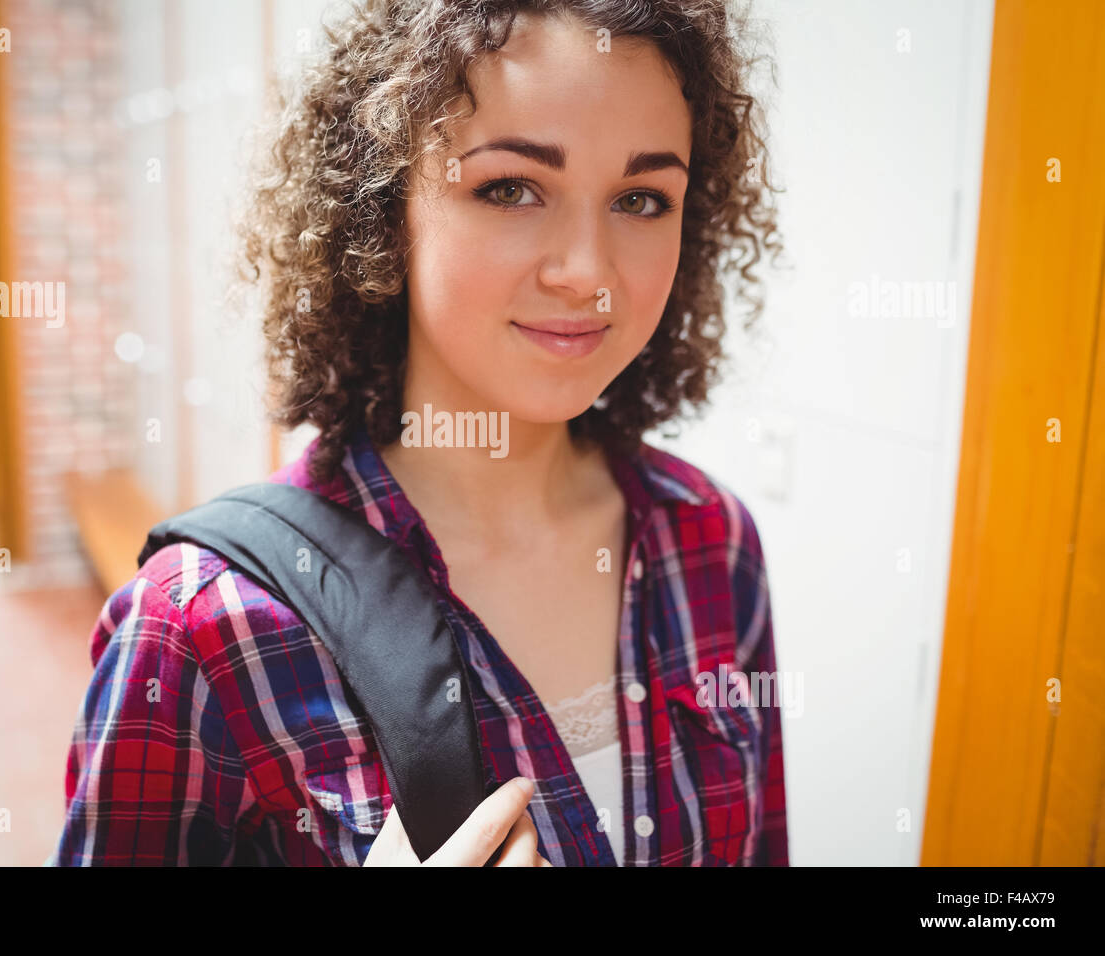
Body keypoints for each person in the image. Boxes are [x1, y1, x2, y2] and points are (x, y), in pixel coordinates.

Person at [47, 0, 787, 866]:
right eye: (509, 188)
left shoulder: (709, 542)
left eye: (641, 198)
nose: (587, 270)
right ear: (382, 208)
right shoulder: (204, 627)